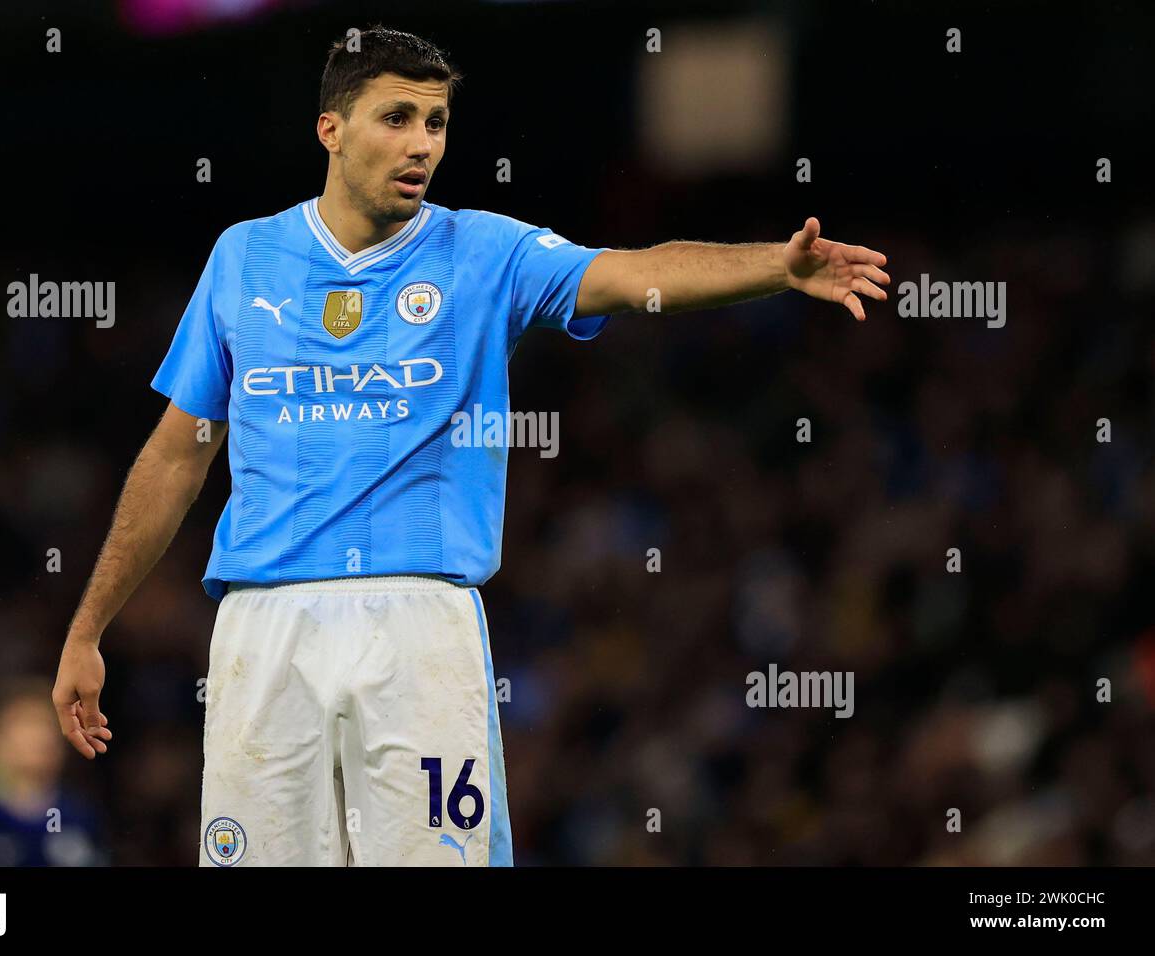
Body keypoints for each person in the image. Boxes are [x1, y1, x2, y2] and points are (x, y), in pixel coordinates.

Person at [51, 26, 889, 866]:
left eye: (437, 122)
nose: (422, 144)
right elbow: (176, 454)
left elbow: (632, 274)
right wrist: (89, 628)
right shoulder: (245, 257)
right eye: (397, 117)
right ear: (330, 129)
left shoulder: (486, 252)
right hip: (262, 628)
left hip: (420, 626)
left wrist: (774, 268)